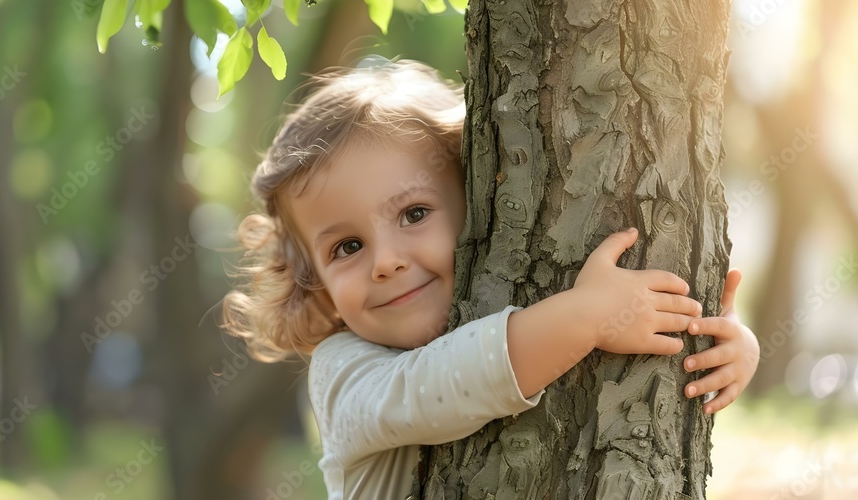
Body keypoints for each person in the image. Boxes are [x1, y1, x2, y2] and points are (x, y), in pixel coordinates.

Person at [221, 59, 760, 500]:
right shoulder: (341, 373)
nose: (384, 262)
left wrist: (719, 342)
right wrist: (588, 316)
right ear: (314, 284)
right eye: (348, 247)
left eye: (413, 214)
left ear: (479, 197)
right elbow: (442, 385)